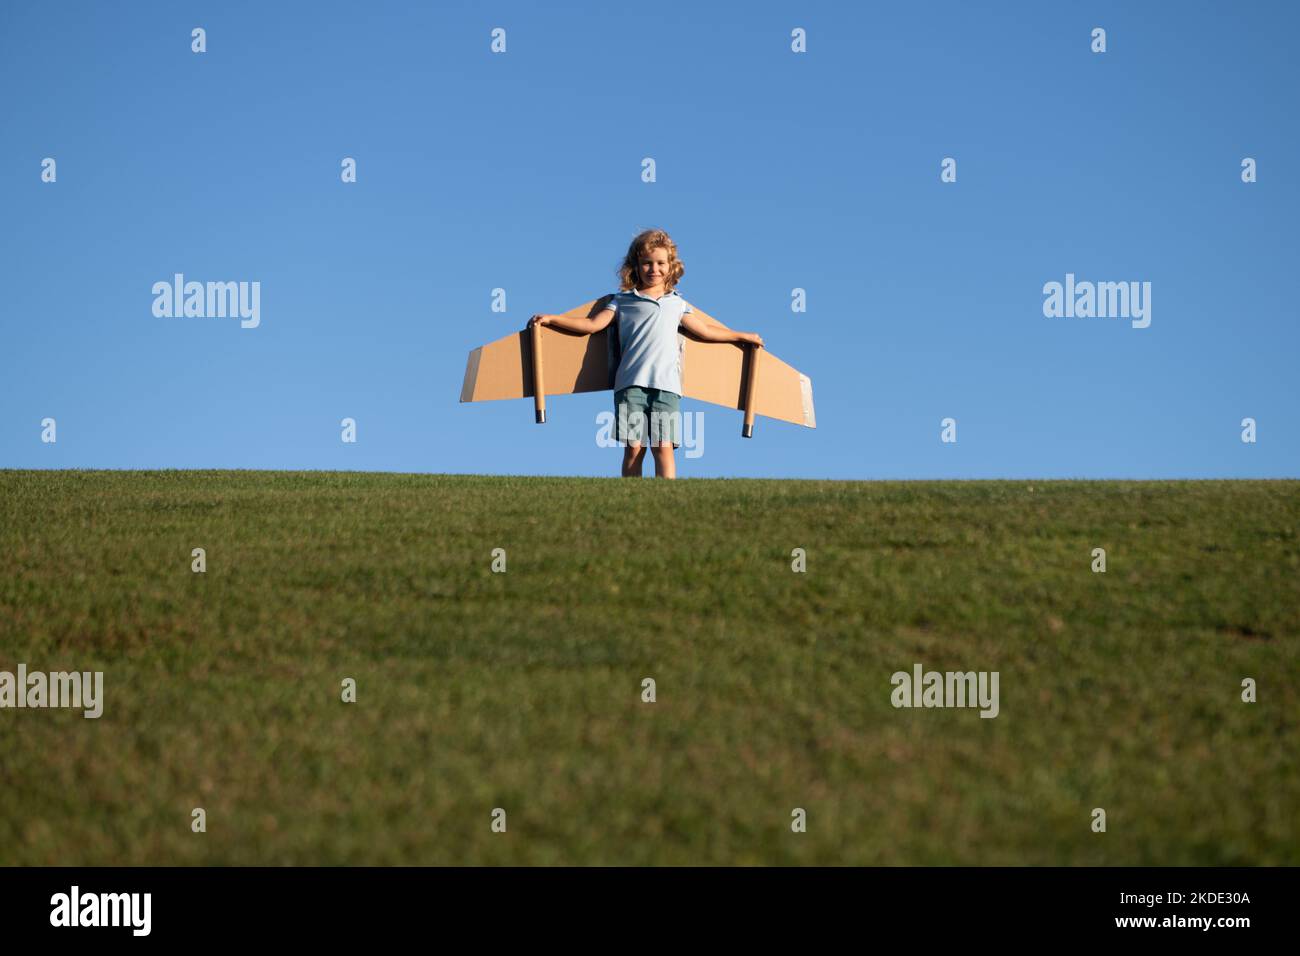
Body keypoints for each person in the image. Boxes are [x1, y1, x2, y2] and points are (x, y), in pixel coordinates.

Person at [529, 229, 763, 478]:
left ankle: (666, 498)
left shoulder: (678, 303)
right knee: (634, 448)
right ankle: (632, 497)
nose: (654, 269)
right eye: (647, 263)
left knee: (663, 447)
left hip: (667, 387)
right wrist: (553, 319)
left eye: (661, 263)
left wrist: (742, 336)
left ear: (671, 267)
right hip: (631, 385)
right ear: (636, 267)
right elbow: (592, 325)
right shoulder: (622, 300)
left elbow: (705, 331)